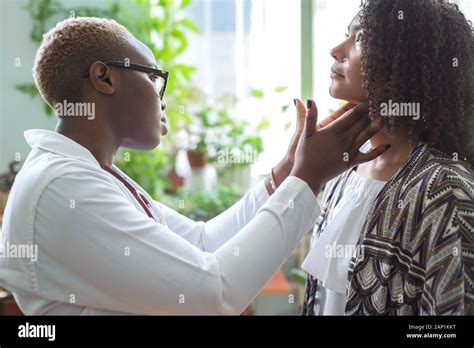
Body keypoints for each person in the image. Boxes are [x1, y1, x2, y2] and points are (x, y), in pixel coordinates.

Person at [0, 17, 387, 315]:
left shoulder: (87, 173)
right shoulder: (64, 188)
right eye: (155, 77)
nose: (161, 98)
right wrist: (307, 178)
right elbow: (211, 295)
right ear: (105, 78)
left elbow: (201, 243)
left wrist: (284, 175)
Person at [301, 0, 474, 316]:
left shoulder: (445, 189)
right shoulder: (344, 171)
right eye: (345, 35)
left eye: (360, 39)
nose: (336, 50)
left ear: (408, 62)